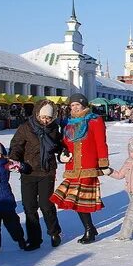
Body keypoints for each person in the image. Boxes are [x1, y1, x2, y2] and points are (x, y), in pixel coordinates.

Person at [51, 93, 111, 244]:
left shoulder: (95, 120)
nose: (75, 107)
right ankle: (90, 227)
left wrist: (103, 162)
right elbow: (64, 143)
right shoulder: (68, 122)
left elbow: (100, 142)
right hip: (72, 165)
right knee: (74, 200)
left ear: (84, 105)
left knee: (80, 200)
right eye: (72, 105)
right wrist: (62, 152)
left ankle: (89, 230)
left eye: (77, 104)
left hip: (88, 165)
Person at [8, 100, 63, 251]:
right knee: (29, 206)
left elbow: (58, 146)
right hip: (28, 171)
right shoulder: (26, 128)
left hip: (47, 171)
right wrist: (14, 159)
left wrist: (63, 152)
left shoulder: (53, 129)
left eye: (49, 118)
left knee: (46, 205)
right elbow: (16, 145)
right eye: (43, 117)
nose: (45, 120)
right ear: (37, 114)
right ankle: (34, 239)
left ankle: (54, 232)